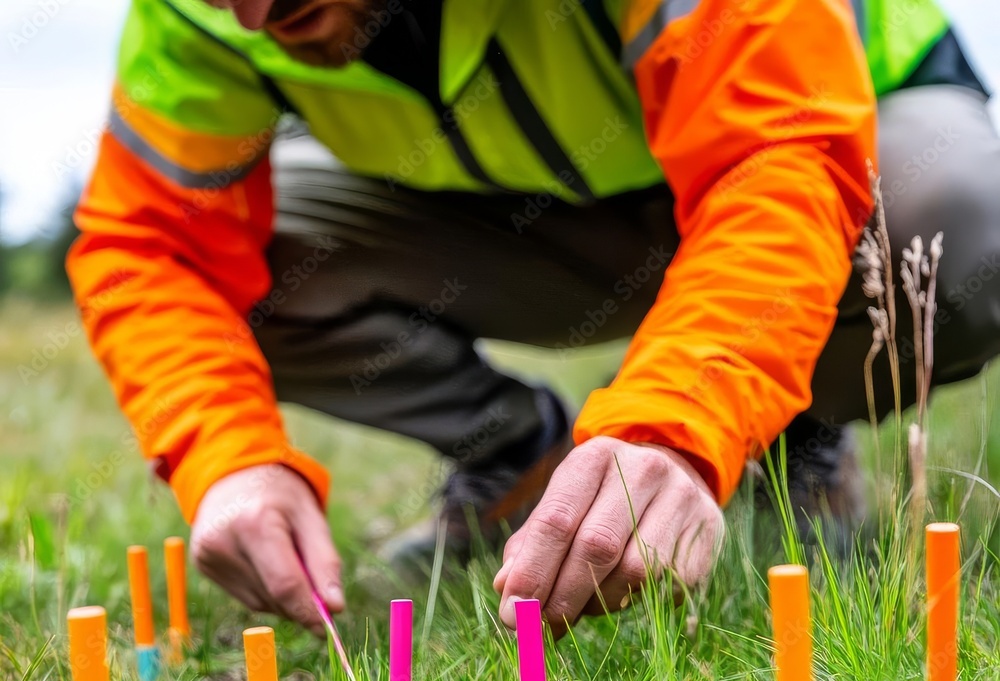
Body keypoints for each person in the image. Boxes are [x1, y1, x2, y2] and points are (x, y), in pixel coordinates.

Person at [68, 0, 999, 638]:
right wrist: (224, 459)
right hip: (531, 213)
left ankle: (794, 432)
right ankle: (519, 457)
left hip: (843, 158)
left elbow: (780, 159)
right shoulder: (203, 12)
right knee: (253, 276)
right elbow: (152, 249)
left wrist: (679, 422)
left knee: (967, 219)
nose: (254, 15)